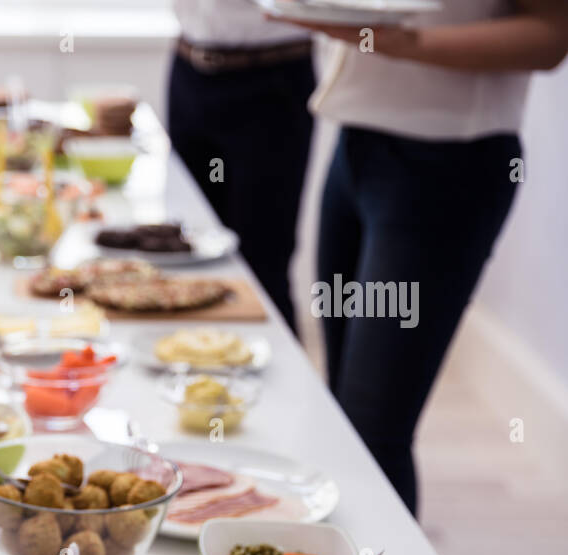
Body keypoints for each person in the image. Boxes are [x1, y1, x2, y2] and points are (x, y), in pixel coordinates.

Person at [277, 0, 568, 515]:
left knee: (374, 429)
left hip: (445, 166)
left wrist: (396, 41)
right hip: (356, 146)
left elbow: (549, 37)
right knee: (346, 419)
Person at [167, 0, 316, 332]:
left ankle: (282, 380)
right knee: (185, 247)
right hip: (189, 67)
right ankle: (190, 364)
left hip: (271, 80)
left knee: (264, 258)